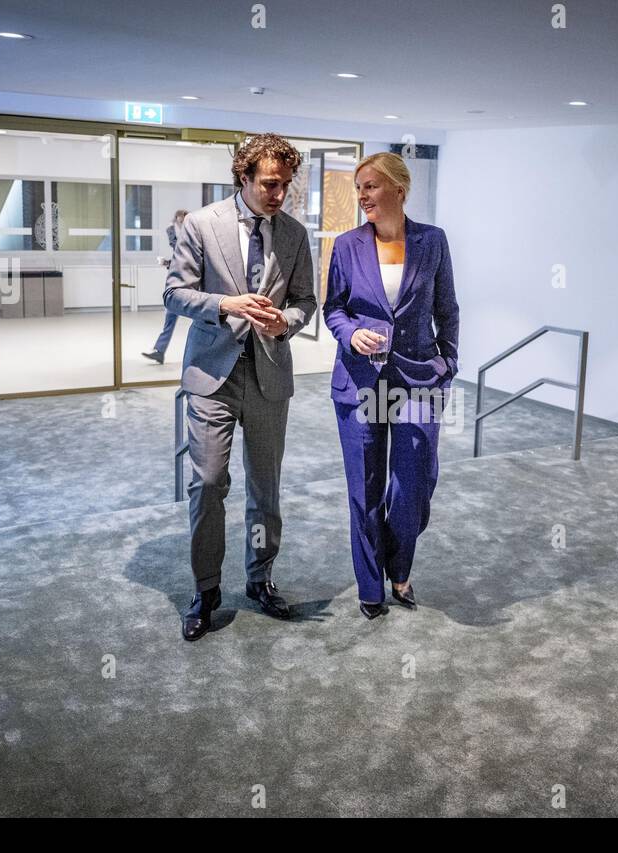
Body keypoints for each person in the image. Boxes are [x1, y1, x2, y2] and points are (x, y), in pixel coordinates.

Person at [163, 135, 316, 641]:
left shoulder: (294, 234)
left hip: (270, 375)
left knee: (264, 487)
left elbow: (305, 302)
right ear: (244, 177)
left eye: (286, 185)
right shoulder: (201, 224)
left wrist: (284, 324)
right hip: (213, 375)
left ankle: (260, 578)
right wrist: (225, 305)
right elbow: (175, 294)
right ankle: (206, 590)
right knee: (208, 483)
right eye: (270, 184)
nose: (280, 194)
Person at [323, 152, 459, 619]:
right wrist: (349, 333)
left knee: (412, 486)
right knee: (365, 488)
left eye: (371, 186)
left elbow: (448, 308)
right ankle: (373, 587)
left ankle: (400, 565)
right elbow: (333, 308)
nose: (362, 195)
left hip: (418, 380)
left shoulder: (432, 241)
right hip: (359, 382)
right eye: (359, 187)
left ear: (400, 190)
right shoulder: (346, 246)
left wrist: (449, 361)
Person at [142, 209, 189, 364]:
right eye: (178, 219)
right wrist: (167, 263)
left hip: (190, 287)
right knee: (170, 317)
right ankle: (160, 351)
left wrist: (170, 229)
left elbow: (177, 247)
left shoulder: (188, 239)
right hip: (180, 285)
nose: (179, 222)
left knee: (204, 320)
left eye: (181, 219)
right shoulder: (183, 240)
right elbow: (179, 259)